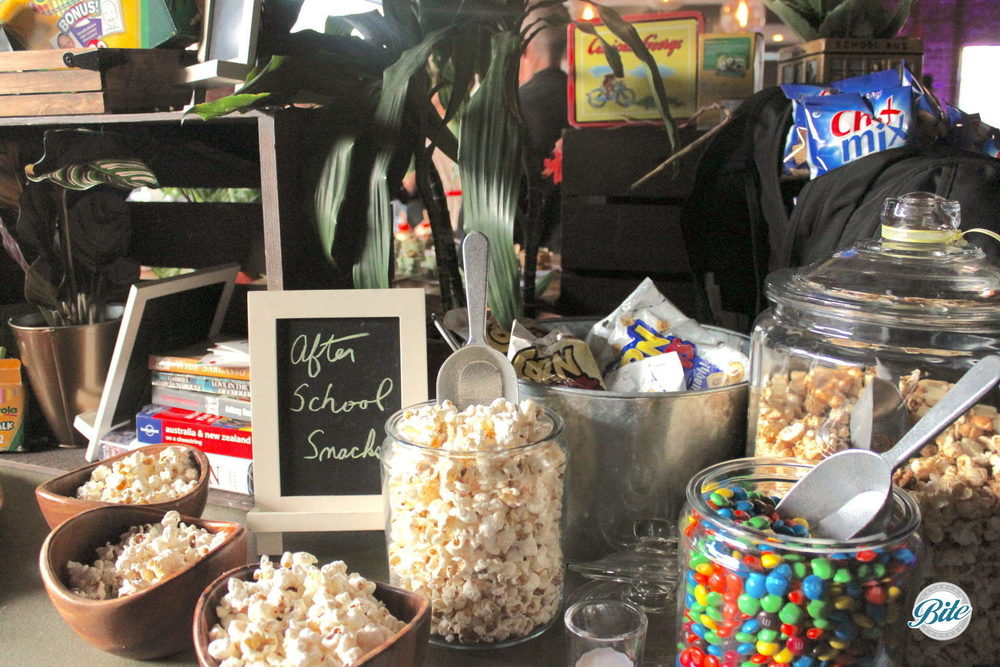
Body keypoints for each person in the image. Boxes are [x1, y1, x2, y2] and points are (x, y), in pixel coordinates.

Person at [518, 2, 570, 252]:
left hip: (524, 260)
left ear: (524, 48)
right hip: (586, 250)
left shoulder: (513, 105)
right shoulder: (590, 104)